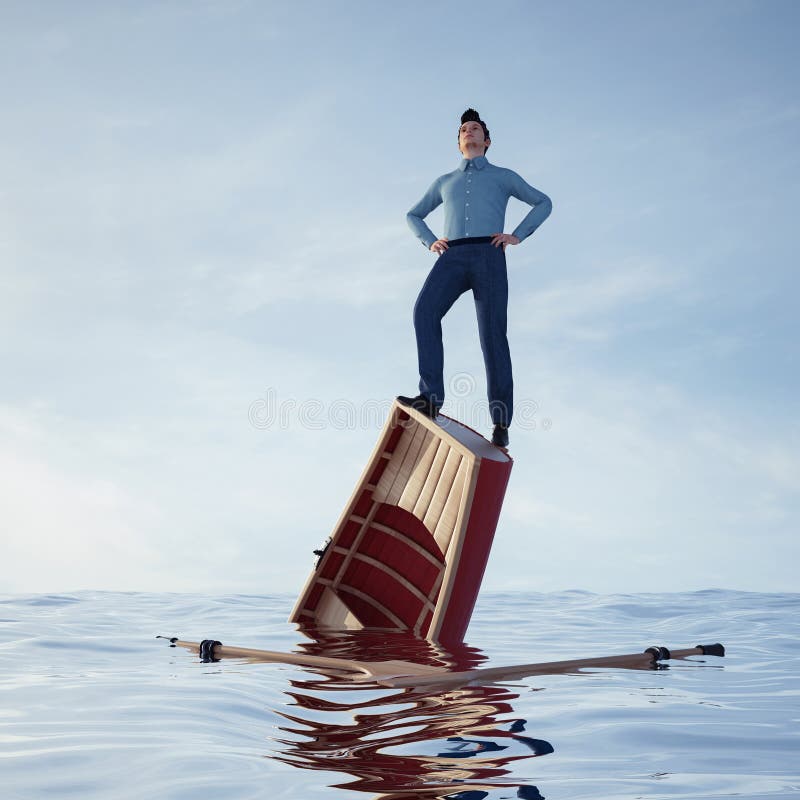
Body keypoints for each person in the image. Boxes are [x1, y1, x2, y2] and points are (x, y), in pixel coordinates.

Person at [398, 109, 552, 449]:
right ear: (458, 143)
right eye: (464, 129)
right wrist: (429, 240)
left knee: (492, 335)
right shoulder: (444, 182)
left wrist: (517, 235)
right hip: (451, 255)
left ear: (487, 140)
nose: (469, 132)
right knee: (424, 312)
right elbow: (413, 214)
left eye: (475, 129)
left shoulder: (503, 176)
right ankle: (431, 398)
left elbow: (543, 202)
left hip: (489, 255)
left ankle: (500, 421)